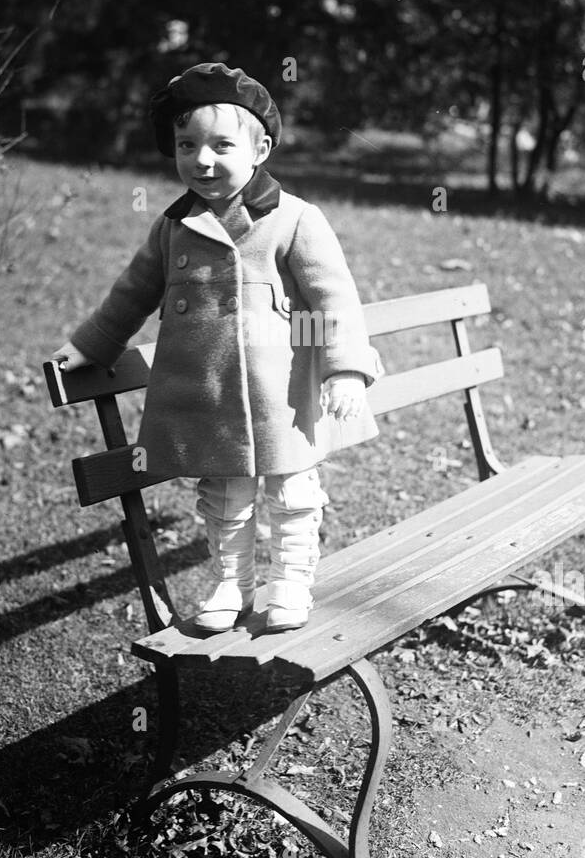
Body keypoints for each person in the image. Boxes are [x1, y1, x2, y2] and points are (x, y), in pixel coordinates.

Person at [53, 62, 381, 633]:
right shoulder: (173, 227)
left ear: (260, 150)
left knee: (292, 493)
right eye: (186, 145)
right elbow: (131, 294)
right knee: (224, 499)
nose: (201, 160)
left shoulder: (293, 220)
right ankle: (233, 582)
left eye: (221, 145)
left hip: (282, 398)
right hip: (208, 396)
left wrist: (345, 370)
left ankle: (289, 582)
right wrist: (93, 345)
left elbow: (335, 299)